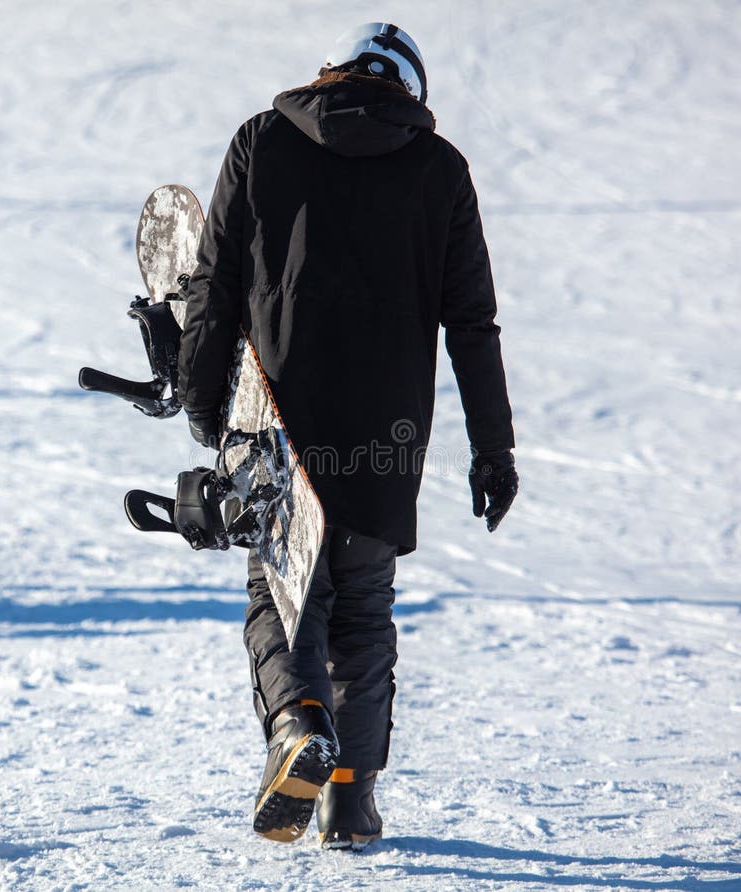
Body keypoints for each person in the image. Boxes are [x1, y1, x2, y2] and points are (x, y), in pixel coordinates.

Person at [177, 22, 518, 850]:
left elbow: (214, 284)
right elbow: (473, 324)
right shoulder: (441, 170)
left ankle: (297, 723)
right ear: (410, 88)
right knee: (361, 610)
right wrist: (493, 449)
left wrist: (200, 400)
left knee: (281, 595)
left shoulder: (262, 141)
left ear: (333, 69)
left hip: (276, 425)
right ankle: (349, 802)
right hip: (384, 438)